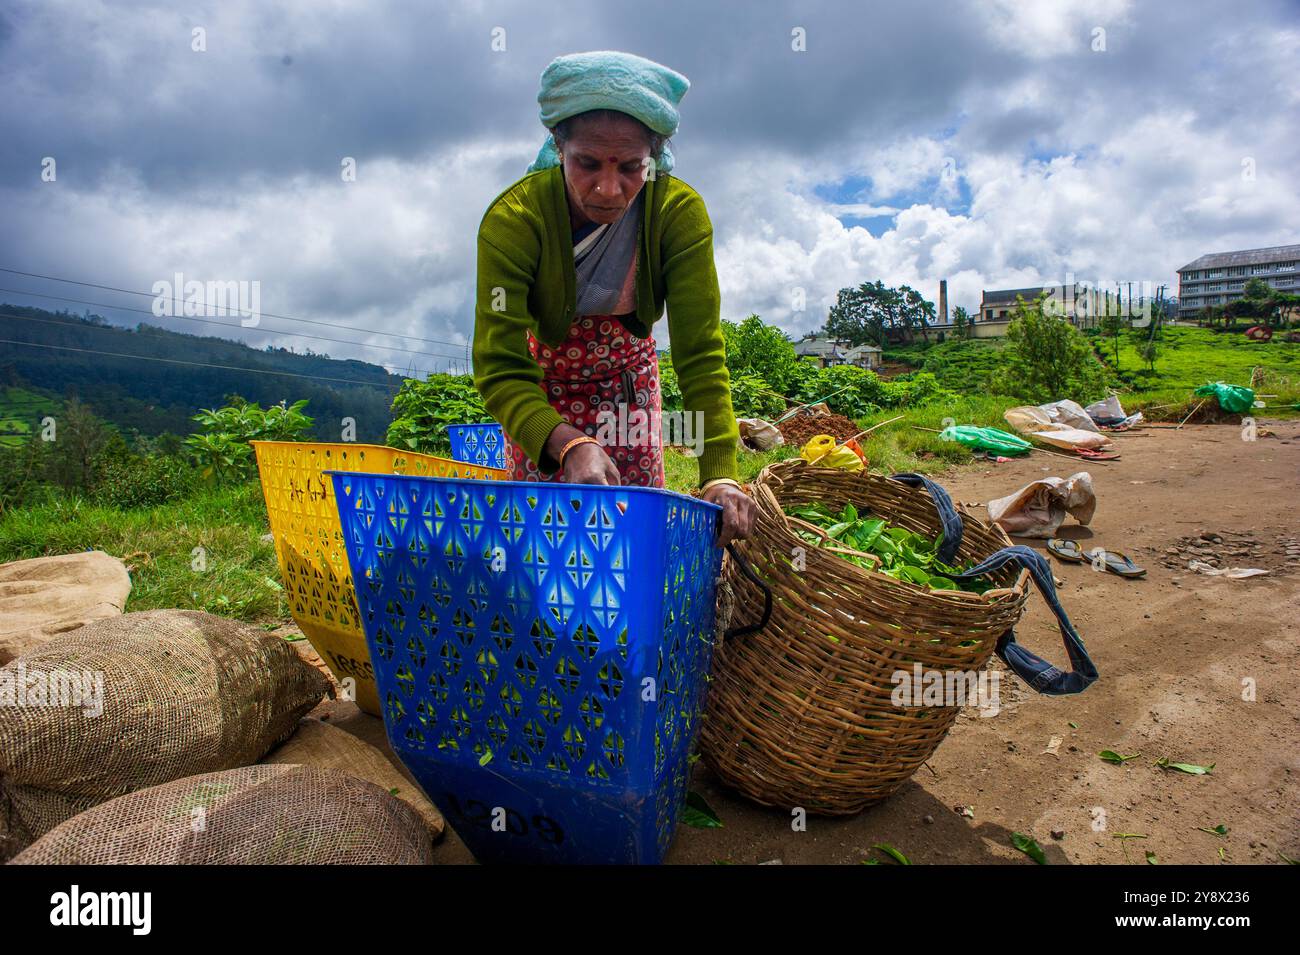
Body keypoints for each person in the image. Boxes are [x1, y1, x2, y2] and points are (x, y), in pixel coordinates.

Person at [472, 50, 754, 546]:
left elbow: (700, 354)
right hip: (543, 390)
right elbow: (499, 364)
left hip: (629, 389)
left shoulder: (676, 215)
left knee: (630, 535)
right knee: (547, 540)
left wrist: (720, 473)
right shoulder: (515, 222)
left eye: (629, 167)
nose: (607, 188)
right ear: (559, 147)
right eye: (587, 163)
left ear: (654, 158)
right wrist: (566, 443)